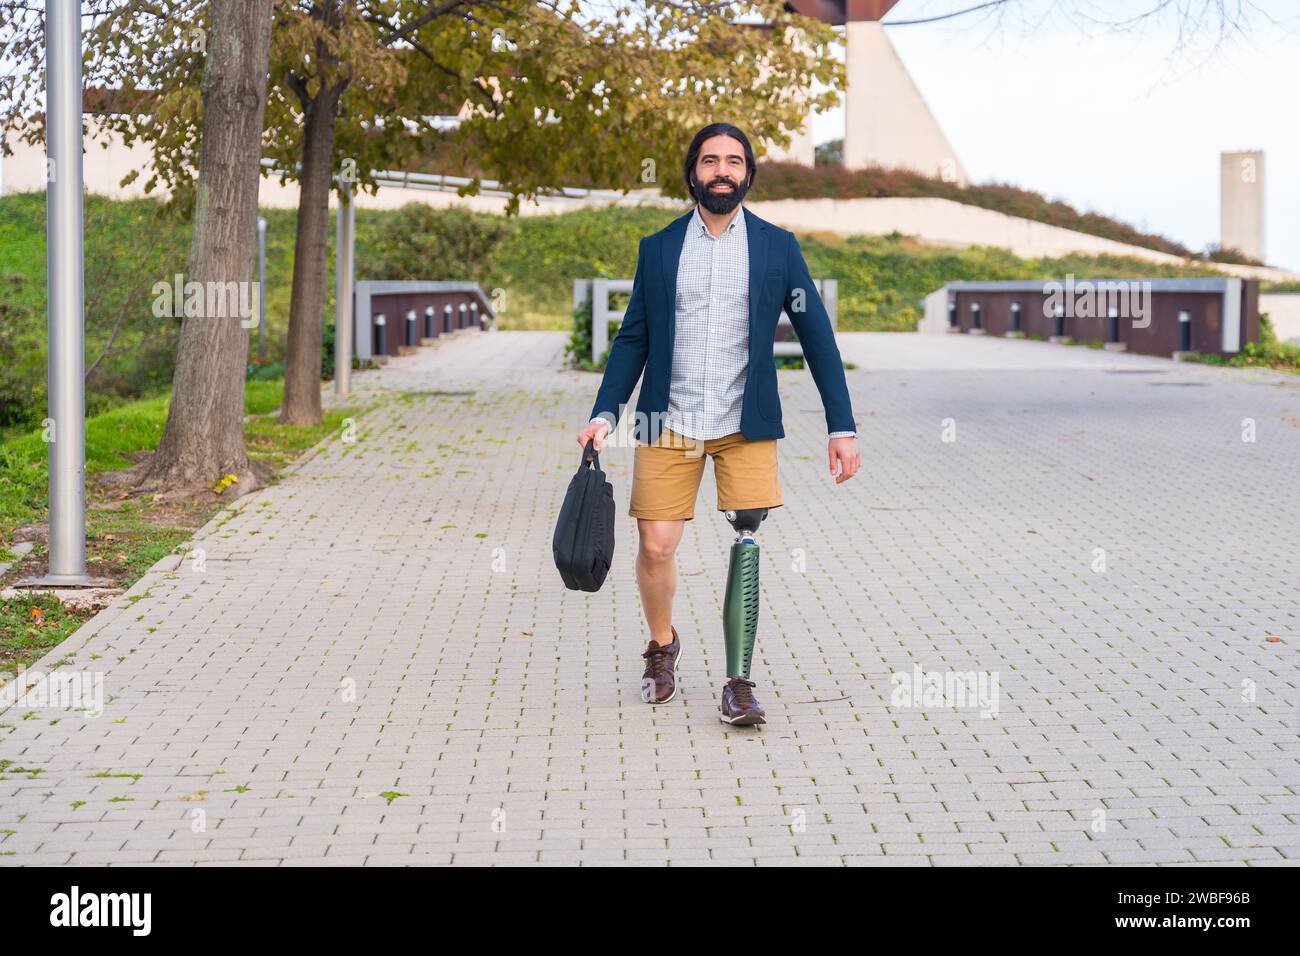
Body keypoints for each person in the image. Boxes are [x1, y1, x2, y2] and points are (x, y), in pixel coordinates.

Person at [575, 122, 860, 725]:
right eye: (710, 161)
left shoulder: (779, 248)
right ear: (692, 173)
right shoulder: (658, 248)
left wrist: (842, 425)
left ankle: (738, 682)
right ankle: (661, 648)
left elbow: (817, 337)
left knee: (746, 542)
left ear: (748, 175)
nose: (722, 170)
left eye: (733, 161)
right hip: (667, 418)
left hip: (744, 421)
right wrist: (605, 414)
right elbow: (633, 338)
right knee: (656, 545)